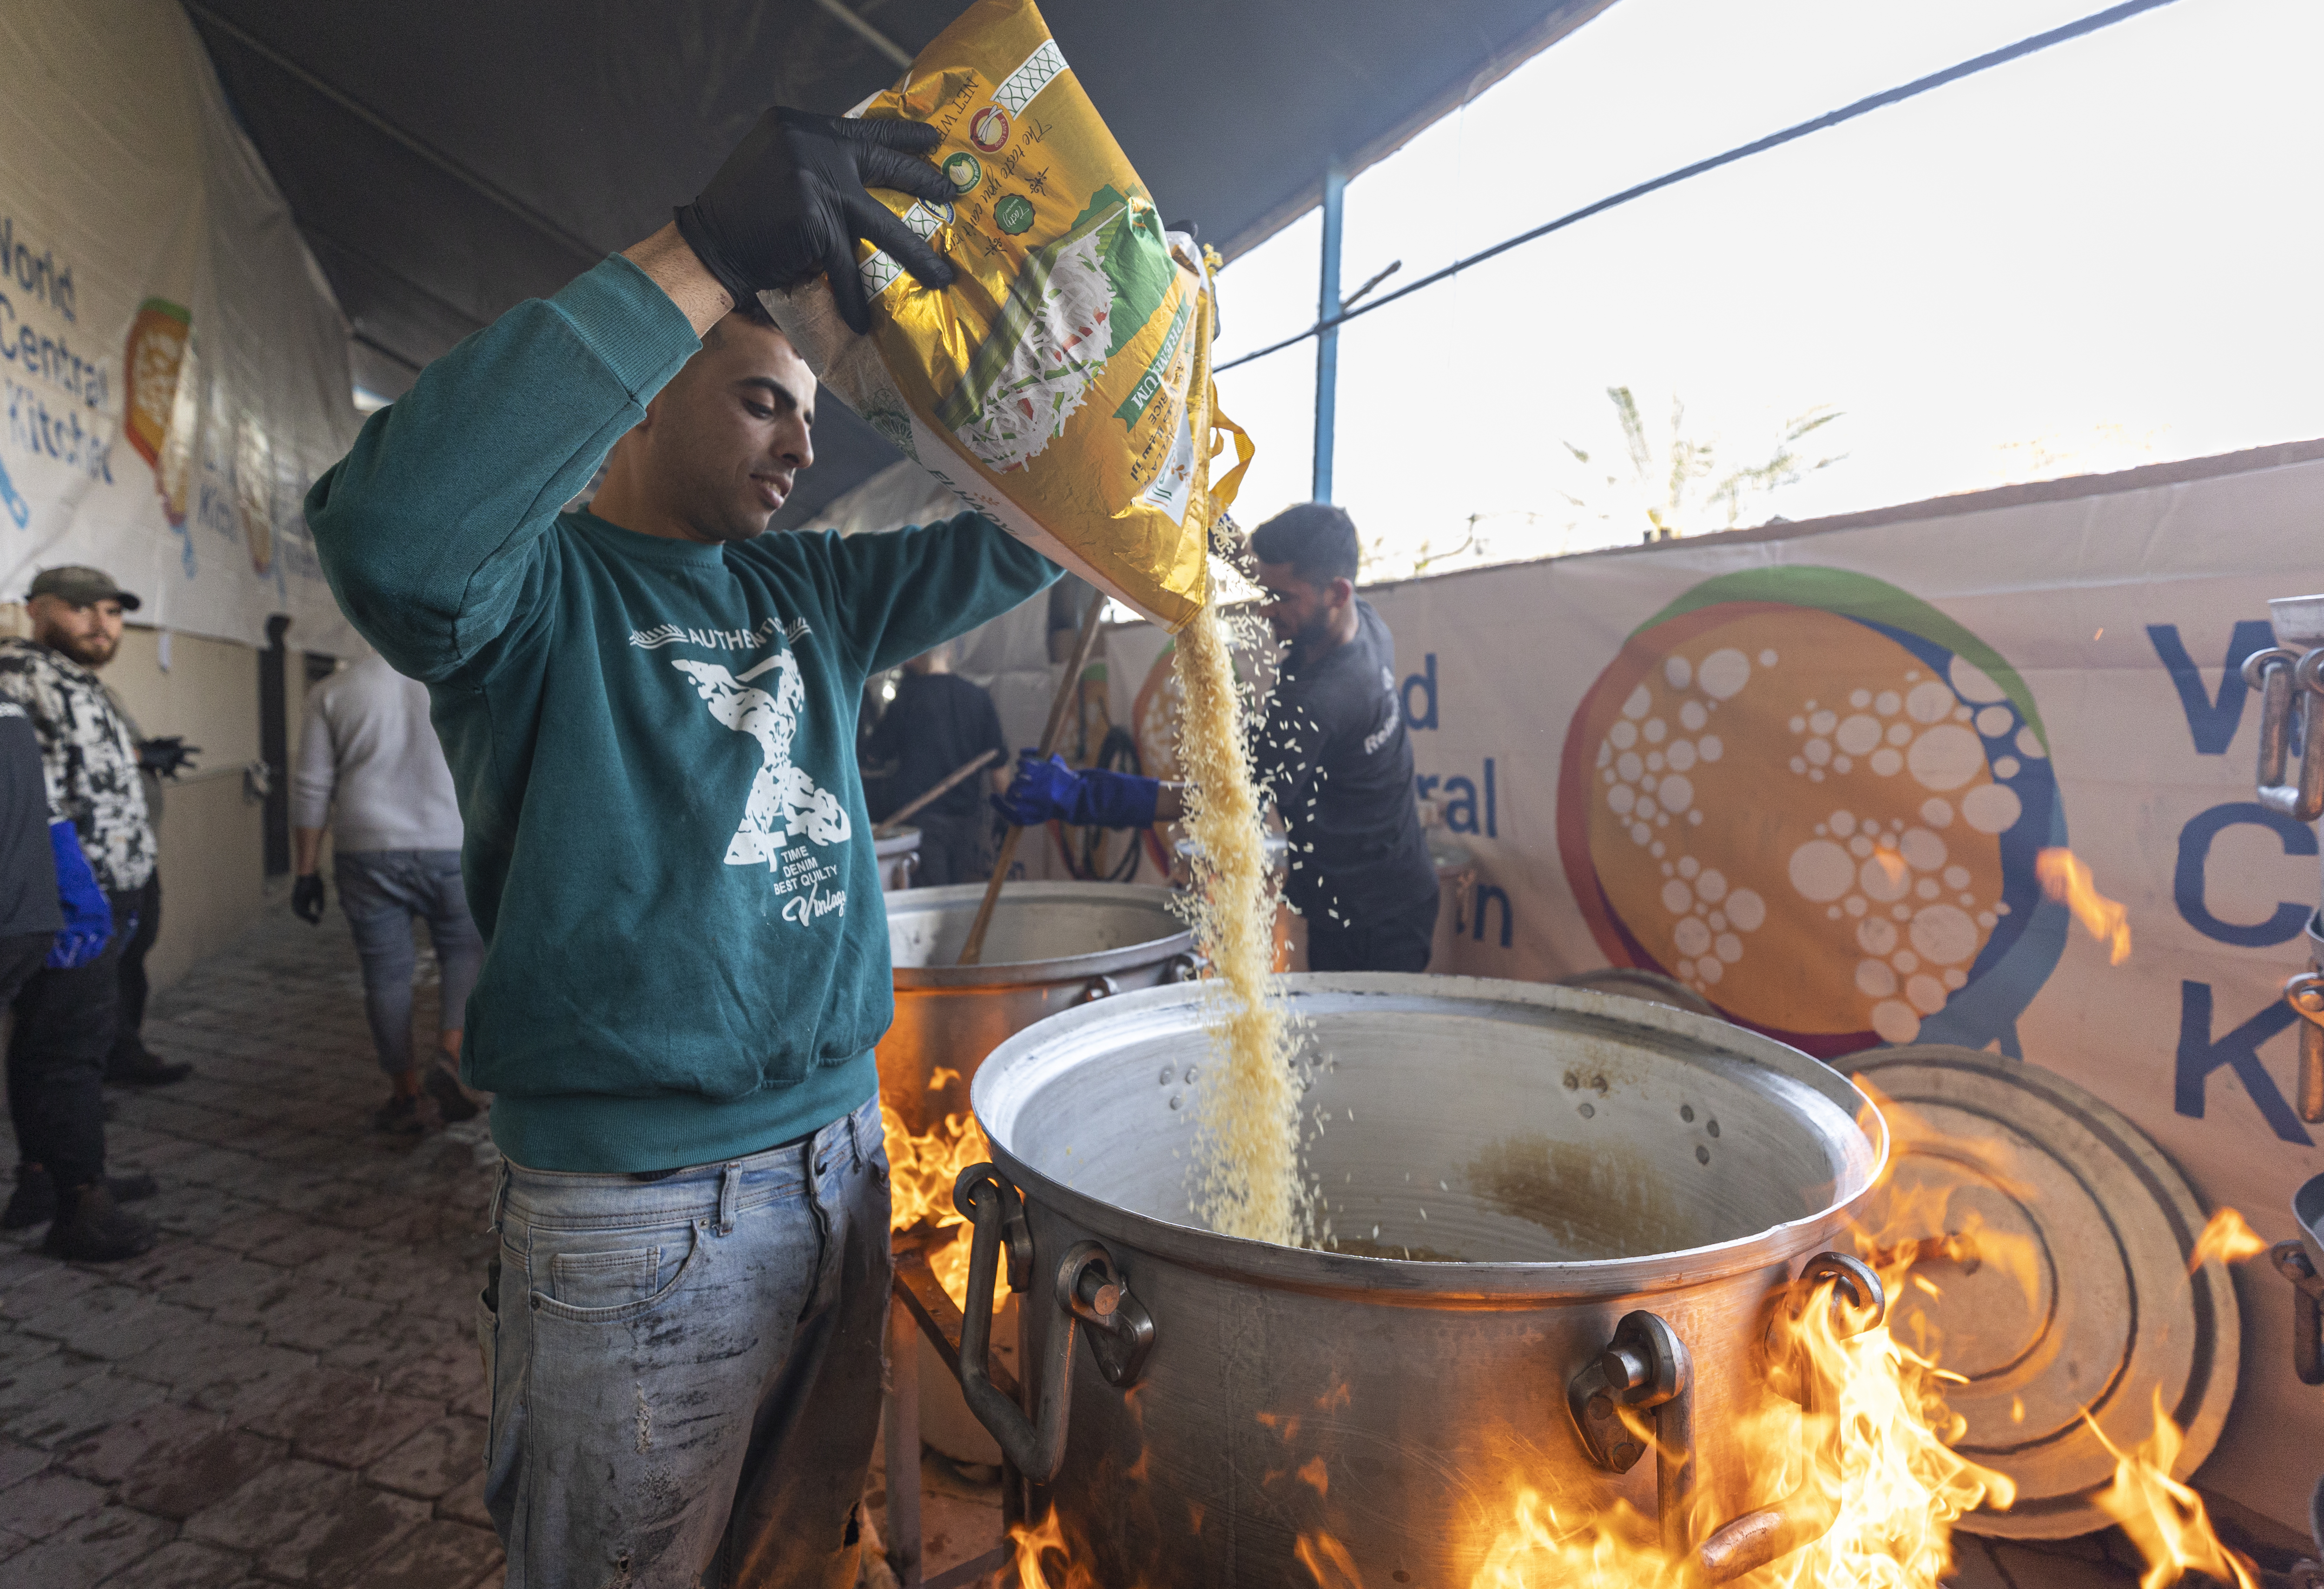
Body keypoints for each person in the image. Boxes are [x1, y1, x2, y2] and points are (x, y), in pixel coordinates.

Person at [306, 106, 1057, 1587]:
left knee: (794, 1559)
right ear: (635, 400)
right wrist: (698, 257)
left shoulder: (810, 595)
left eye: (807, 413)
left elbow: (1030, 537)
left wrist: (1076, 372)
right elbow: (390, 535)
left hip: (842, 1166)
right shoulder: (534, 597)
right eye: (764, 401)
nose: (798, 444)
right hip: (637, 1216)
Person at [997, 503, 1441, 971]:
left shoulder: (1318, 704)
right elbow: (1264, 566)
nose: (1266, 609)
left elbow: (1215, 799)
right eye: (1264, 592)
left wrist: (1082, 795)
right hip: (1380, 887)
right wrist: (1206, 514)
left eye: (1282, 598)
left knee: (1354, 1042)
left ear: (1336, 593)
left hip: (1374, 918)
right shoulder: (1361, 622)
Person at [0, 566, 166, 1259]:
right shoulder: (21, 673)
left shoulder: (76, 679)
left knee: (71, 1041)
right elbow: (30, 796)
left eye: (113, 611)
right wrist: (68, 887)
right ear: (38, 609)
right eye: (82, 610)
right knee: (62, 1047)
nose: (102, 624)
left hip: (110, 885)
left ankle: (55, 1175)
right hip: (72, 893)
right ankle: (79, 1206)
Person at [290, 652, 482, 1134]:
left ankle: (405, 1093)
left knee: (385, 974)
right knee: (463, 956)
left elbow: (311, 786)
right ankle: (450, 1054)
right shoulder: (461, 678)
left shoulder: (333, 691)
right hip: (452, 842)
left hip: (366, 847)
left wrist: (305, 869)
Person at [101, 691, 197, 1089]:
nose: (102, 626)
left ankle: (126, 1052)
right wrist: (139, 757)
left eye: (114, 621)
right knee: (103, 969)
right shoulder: (40, 689)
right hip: (105, 861)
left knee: (134, 956)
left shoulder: (100, 691)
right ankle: (95, 1070)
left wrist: (146, 751)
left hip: (138, 853)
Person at [858, 640, 1008, 886]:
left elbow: (875, 754)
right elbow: (999, 773)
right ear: (948, 653)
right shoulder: (979, 698)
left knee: (928, 900)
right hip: (968, 824)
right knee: (961, 903)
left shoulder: (908, 698)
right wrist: (1009, 820)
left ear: (914, 658)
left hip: (921, 823)